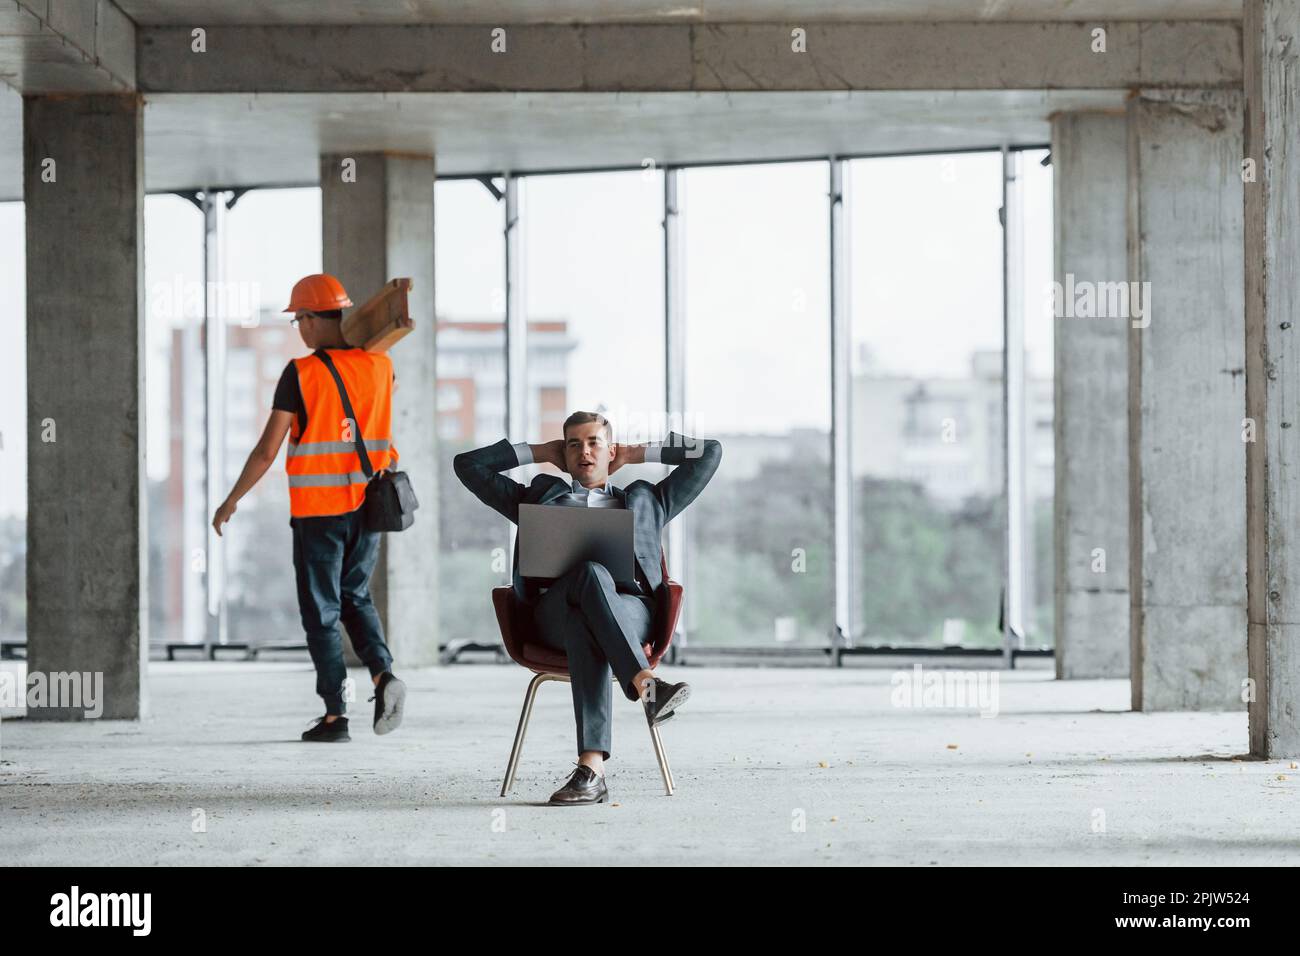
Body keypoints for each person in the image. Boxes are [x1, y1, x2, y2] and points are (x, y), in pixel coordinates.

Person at [454, 411, 722, 804]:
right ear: (564, 452)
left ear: (609, 449)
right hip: (552, 616)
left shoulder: (649, 500)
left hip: (631, 611)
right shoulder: (538, 496)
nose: (584, 451)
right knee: (589, 576)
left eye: (594, 442)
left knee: (588, 619)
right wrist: (539, 452)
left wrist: (637, 453)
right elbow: (467, 465)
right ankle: (647, 687)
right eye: (574, 444)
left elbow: (710, 453)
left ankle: (591, 770)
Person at [211, 273, 407, 743]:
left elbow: (266, 450)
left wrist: (231, 499)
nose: (298, 327)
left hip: (321, 512)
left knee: (321, 612)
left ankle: (336, 715)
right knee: (355, 598)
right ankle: (383, 675)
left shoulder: (300, 373)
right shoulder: (381, 367)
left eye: (299, 318)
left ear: (315, 319)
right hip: (370, 504)